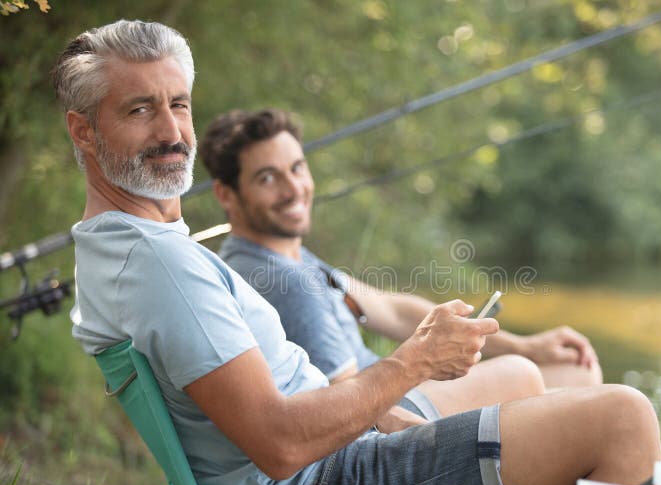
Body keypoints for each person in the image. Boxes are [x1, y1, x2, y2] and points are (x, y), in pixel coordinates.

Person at [59, 20, 661, 485]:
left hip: (324, 466)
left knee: (524, 375)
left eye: (179, 103)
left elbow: (364, 327)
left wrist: (399, 403)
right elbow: (280, 444)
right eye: (140, 110)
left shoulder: (130, 247)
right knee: (623, 420)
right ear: (83, 129)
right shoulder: (162, 266)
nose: (171, 132)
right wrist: (414, 363)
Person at [200, 108, 601, 414]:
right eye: (267, 178)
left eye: (297, 168)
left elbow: (391, 309)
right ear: (226, 194)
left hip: (396, 395)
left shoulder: (277, 252)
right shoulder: (280, 280)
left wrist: (524, 344)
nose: (294, 189)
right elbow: (347, 405)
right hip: (389, 416)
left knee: (571, 372)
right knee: (532, 377)